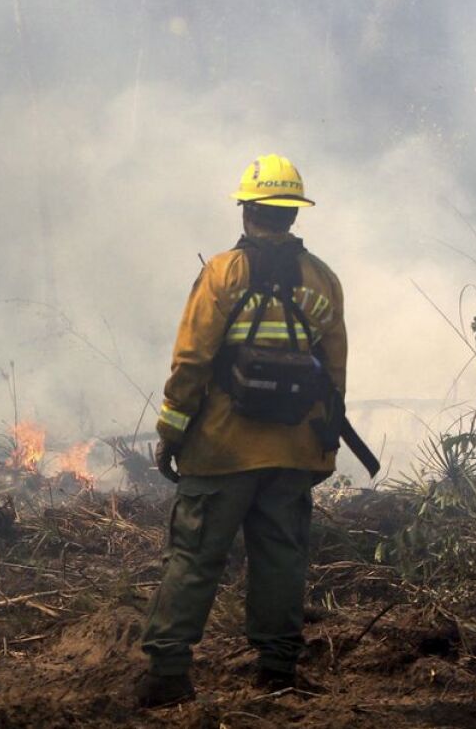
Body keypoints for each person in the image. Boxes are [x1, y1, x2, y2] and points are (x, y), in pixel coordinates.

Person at [134, 154, 347, 708]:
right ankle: (277, 669)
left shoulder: (222, 274)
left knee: (196, 555)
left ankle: (168, 674)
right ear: (292, 217)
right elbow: (334, 375)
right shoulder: (323, 280)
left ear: (248, 210)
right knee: (281, 557)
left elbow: (191, 361)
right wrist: (323, 447)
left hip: (222, 450)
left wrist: (171, 432)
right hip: (292, 452)